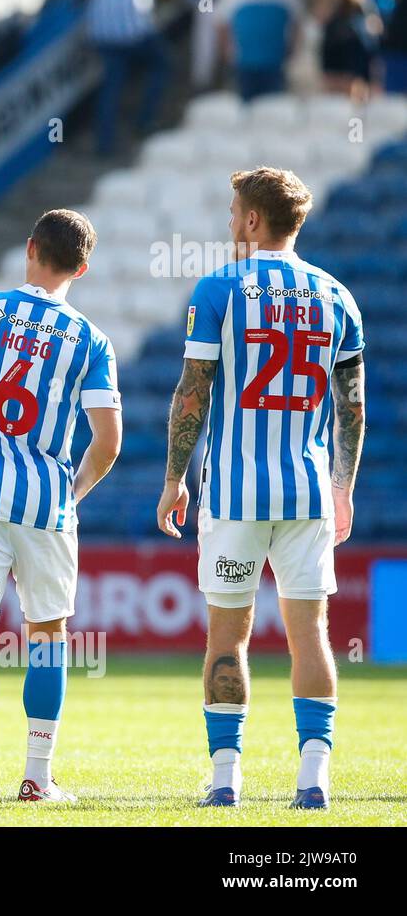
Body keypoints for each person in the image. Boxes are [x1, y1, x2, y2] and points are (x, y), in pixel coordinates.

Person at [157, 167, 365, 810]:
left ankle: (225, 783)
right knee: (312, 635)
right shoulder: (339, 297)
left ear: (253, 220)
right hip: (305, 490)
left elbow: (193, 390)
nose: (228, 222)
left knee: (228, 637)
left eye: (232, 212)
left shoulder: (220, 287)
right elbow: (352, 405)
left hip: (234, 494)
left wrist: (173, 479)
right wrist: (343, 485)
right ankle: (314, 781)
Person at [0, 209, 122, 804]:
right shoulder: (90, 339)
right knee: (46, 635)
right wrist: (71, 490)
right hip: (47, 505)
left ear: (29, 247)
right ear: (82, 268)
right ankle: (37, 777)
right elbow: (108, 441)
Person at [85, 0, 177, 155]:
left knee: (112, 85)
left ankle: (104, 145)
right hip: (127, 29)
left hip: (100, 29)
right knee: (162, 64)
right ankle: (144, 122)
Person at [217, 0, 305, 101]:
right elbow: (221, 25)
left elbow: (297, 25)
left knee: (274, 108)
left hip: (275, 65)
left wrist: (292, 51)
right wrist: (228, 53)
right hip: (243, 66)